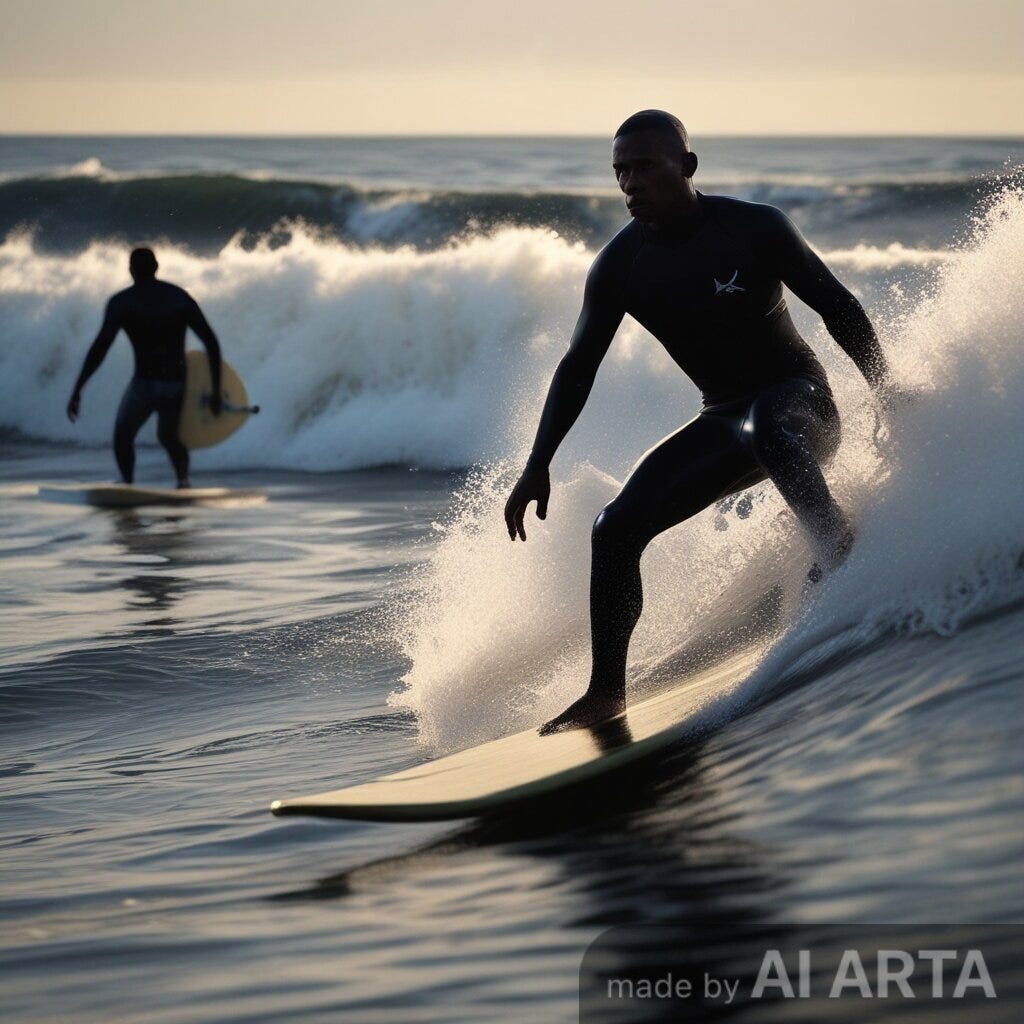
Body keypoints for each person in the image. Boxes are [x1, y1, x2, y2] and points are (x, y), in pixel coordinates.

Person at [503, 111, 892, 734]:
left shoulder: (755, 228)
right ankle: (606, 692)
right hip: (726, 419)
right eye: (620, 171)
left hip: (802, 404)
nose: (630, 182)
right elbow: (577, 369)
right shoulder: (621, 267)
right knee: (614, 527)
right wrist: (537, 464)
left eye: (645, 166)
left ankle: (838, 554)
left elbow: (839, 307)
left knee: (769, 423)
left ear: (686, 167)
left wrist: (886, 391)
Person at [66, 247, 222, 488]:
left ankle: (128, 485)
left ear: (130, 270)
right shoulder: (179, 297)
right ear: (156, 267)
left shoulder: (122, 302)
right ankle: (183, 480)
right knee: (169, 437)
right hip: (176, 383)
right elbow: (211, 342)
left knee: (123, 437)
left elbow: (100, 348)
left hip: (144, 384)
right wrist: (216, 390)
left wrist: (78, 389)